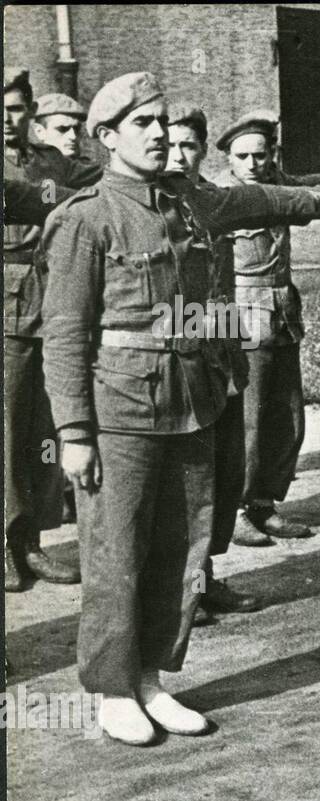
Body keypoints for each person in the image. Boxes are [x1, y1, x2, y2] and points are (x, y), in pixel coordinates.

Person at [42, 71, 320, 745]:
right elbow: (65, 332)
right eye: (142, 125)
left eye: (162, 123)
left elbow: (258, 199)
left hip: (193, 399)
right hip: (120, 408)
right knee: (117, 551)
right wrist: (72, 430)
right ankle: (111, 688)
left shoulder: (187, 206)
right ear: (106, 139)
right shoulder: (85, 218)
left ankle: (152, 676)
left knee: (178, 549)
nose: (160, 136)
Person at [216, 111, 320, 546]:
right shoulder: (221, 196)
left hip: (283, 312)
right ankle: (233, 509)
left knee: (286, 416)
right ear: (229, 159)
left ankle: (264, 504)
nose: (252, 163)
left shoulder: (277, 185)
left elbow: (313, 184)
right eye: (243, 156)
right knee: (247, 420)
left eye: (261, 154)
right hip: (243, 312)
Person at [162, 102, 263, 624]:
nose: (179, 156)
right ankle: (182, 590)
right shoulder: (156, 206)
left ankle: (205, 577)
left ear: (203, 151)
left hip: (223, 338)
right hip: (180, 355)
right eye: (171, 144)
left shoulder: (213, 200)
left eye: (189, 146)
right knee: (189, 482)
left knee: (225, 472)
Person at [4, 67, 100, 592]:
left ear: (30, 115)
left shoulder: (50, 162)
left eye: (16, 108)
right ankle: (4, 543)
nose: (6, 117)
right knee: (8, 428)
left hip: (53, 306)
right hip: (8, 312)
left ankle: (33, 540)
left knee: (45, 428)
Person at [31, 92, 89, 162]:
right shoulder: (28, 171)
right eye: (63, 129)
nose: (73, 136)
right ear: (40, 131)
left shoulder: (93, 171)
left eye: (76, 129)